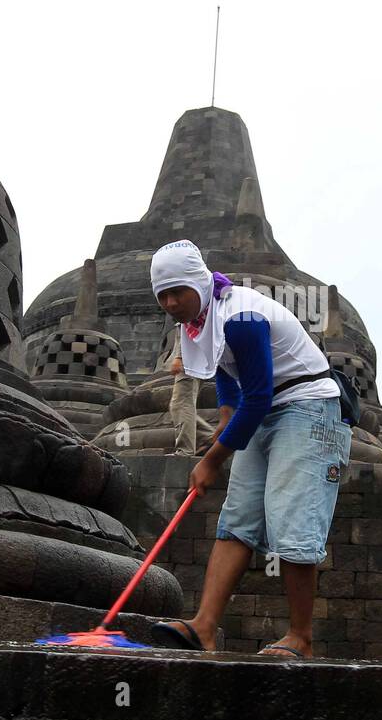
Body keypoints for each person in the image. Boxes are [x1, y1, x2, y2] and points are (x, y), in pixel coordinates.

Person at [149, 240, 350, 659]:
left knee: (292, 517)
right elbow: (222, 367)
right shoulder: (198, 322)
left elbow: (255, 398)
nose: (170, 303)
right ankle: (203, 626)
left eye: (177, 292)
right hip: (264, 409)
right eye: (162, 295)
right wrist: (225, 416)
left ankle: (300, 636)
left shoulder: (240, 316)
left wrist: (210, 460)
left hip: (307, 407)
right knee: (236, 519)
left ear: (199, 284)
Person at [164, 325, 202, 457]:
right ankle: (209, 437)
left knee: (181, 404)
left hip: (188, 361)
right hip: (193, 359)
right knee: (180, 406)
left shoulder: (188, 307)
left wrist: (180, 357)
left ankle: (185, 450)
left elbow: (190, 326)